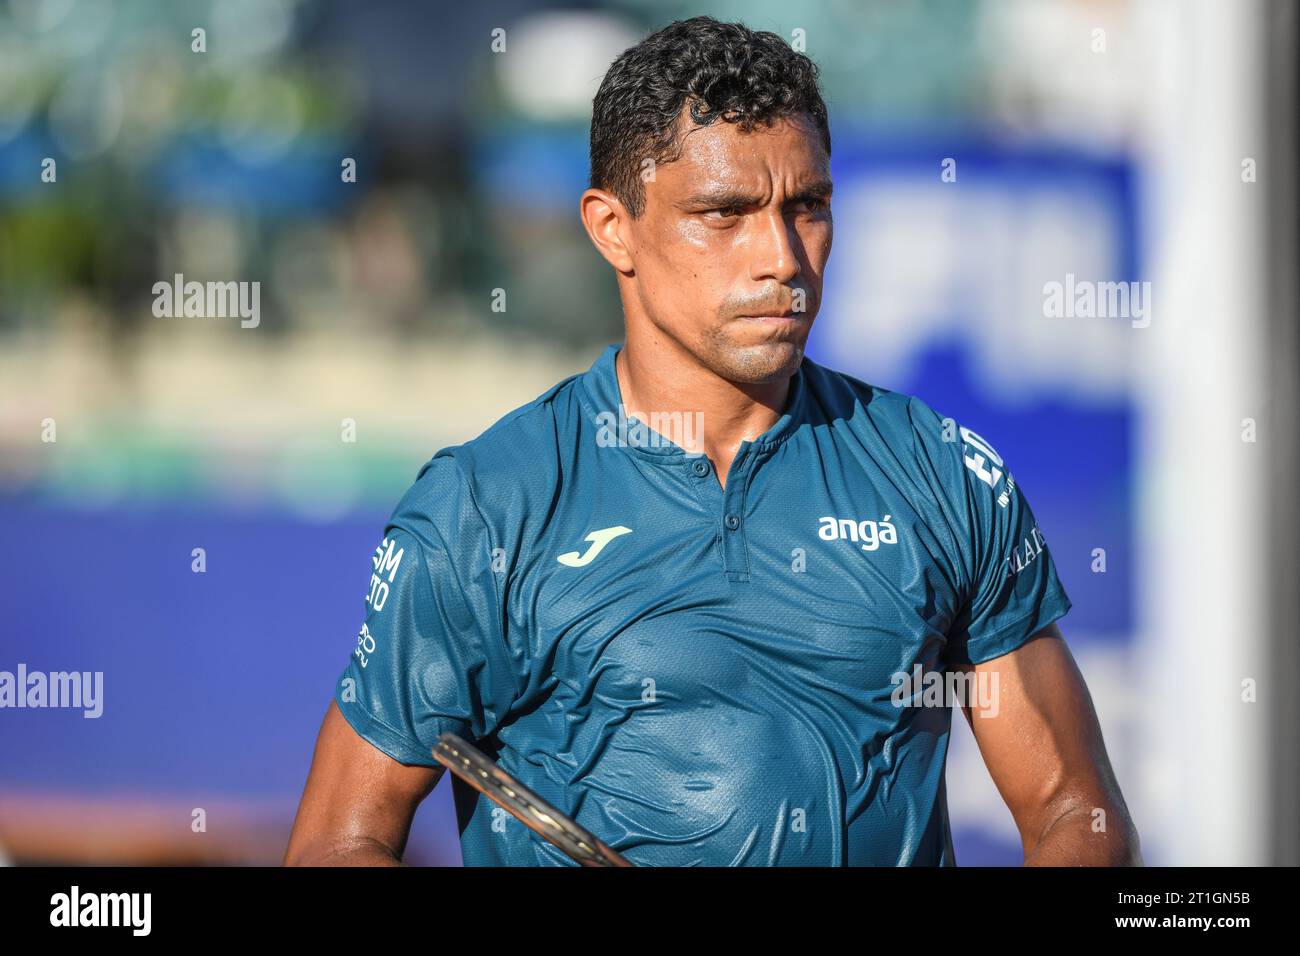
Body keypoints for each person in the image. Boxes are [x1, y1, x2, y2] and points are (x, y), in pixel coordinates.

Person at [285, 16, 1140, 866]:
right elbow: (338, 841)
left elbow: (1075, 813)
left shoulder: (942, 474)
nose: (781, 257)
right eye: (725, 213)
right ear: (612, 227)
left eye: (807, 207)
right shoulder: (486, 507)